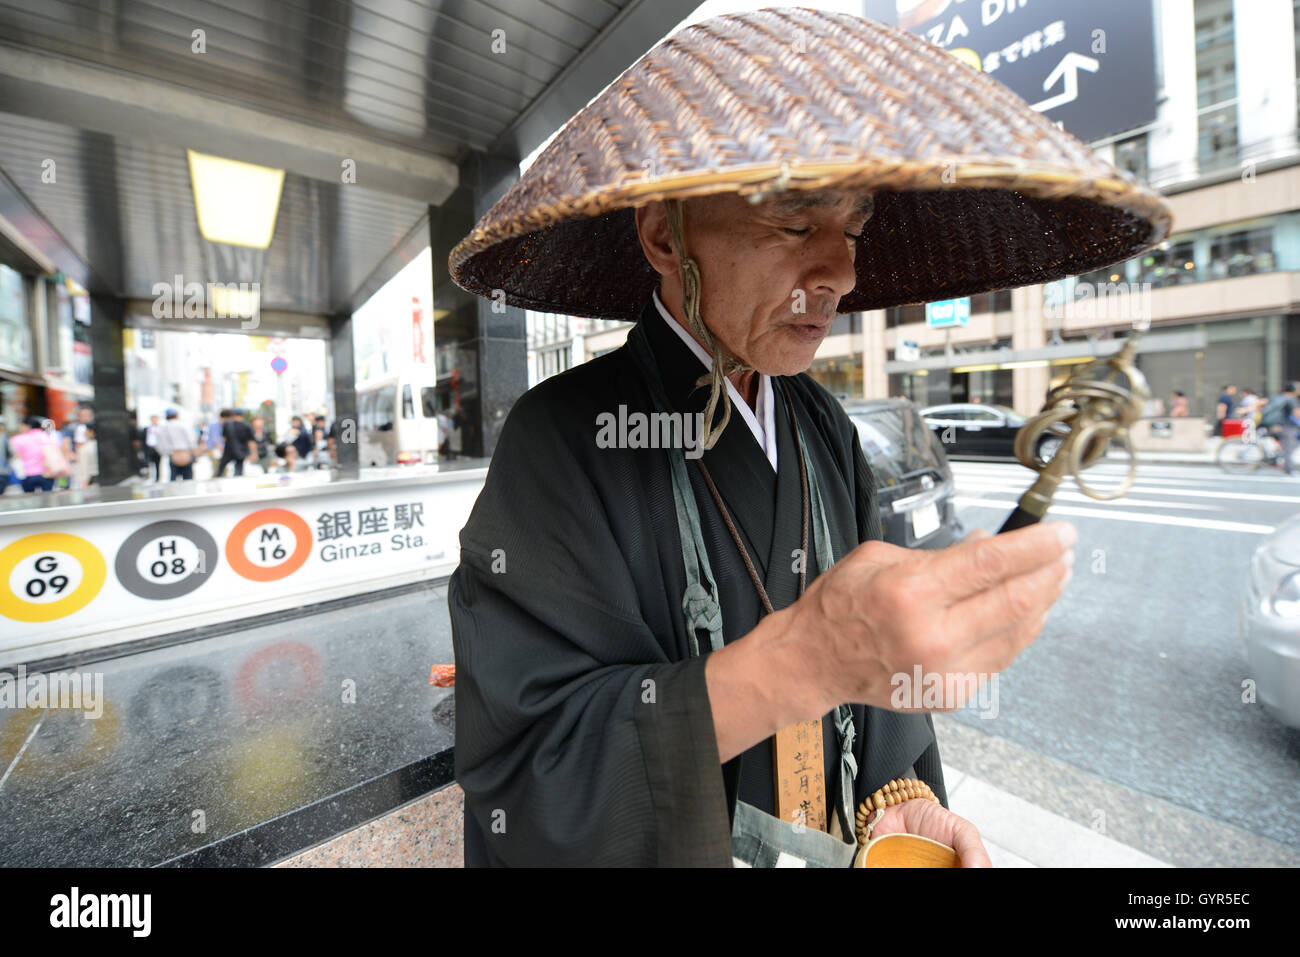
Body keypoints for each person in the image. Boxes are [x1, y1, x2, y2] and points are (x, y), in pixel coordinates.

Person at [444, 10, 1169, 867]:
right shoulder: (562, 437)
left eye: (854, 229)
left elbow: (879, 676)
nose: (843, 272)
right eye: (795, 223)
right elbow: (530, 768)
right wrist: (802, 659)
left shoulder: (822, 424)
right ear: (662, 233)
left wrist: (902, 803)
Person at [1258, 382, 1300, 475]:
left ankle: (1276, 456)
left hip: (1272, 426)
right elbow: (1297, 413)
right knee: (1289, 448)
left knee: (1287, 446)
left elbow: (1260, 403)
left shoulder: (1276, 397)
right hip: (1285, 427)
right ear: (1293, 390)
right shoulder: (1291, 399)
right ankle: (1289, 470)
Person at [10, 416, 55, 493]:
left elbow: (17, 457)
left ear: (27, 426)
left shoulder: (17, 439)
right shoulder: (48, 437)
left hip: (28, 474)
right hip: (47, 472)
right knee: (48, 498)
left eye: (21, 426)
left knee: (30, 500)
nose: (19, 428)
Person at [154, 408, 198, 481]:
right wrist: (193, 451)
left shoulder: (163, 427)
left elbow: (159, 443)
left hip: (173, 455)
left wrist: (166, 453)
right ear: (177, 415)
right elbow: (192, 439)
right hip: (186, 454)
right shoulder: (184, 425)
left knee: (173, 478)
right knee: (188, 478)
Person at [216, 408, 257, 476]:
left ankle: (216, 481)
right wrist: (254, 453)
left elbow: (224, 438)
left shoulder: (226, 425)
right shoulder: (246, 426)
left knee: (221, 469)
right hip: (241, 451)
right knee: (238, 470)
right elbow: (251, 441)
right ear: (243, 415)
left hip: (228, 450)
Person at [73, 422, 98, 488]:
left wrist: (83, 484)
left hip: (90, 483)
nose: (84, 433)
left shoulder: (84, 448)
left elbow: (84, 469)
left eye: (86, 430)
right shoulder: (104, 446)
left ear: (91, 432)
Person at [142, 414, 163, 482]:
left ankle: (157, 478)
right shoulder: (147, 429)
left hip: (157, 448)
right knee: (148, 463)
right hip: (149, 448)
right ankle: (148, 477)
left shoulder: (160, 429)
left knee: (157, 464)